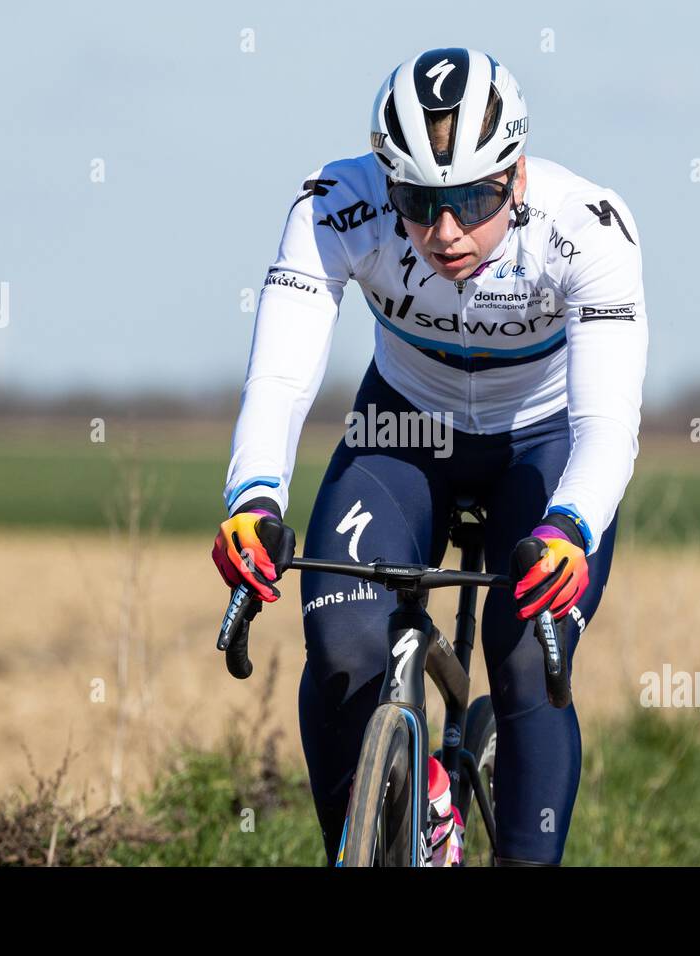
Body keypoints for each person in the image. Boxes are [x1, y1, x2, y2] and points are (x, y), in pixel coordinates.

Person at [212, 47, 648, 866]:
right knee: (342, 645)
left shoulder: (586, 227)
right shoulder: (338, 204)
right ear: (387, 182)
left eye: (474, 198)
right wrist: (254, 499)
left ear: (515, 177)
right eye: (416, 200)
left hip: (542, 443)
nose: (445, 231)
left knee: (524, 665)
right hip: (404, 433)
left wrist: (571, 526)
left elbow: (607, 423)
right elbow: (278, 376)